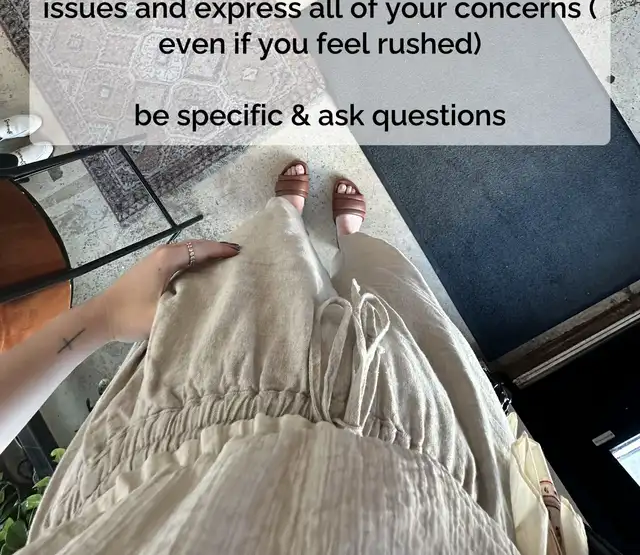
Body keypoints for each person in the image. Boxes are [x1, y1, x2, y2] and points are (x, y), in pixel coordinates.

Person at [0, 161, 582, 555]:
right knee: (402, 299)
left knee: (260, 259)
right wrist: (98, 319)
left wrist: (102, 317)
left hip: (178, 447)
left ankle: (286, 216)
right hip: (457, 496)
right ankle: (352, 239)